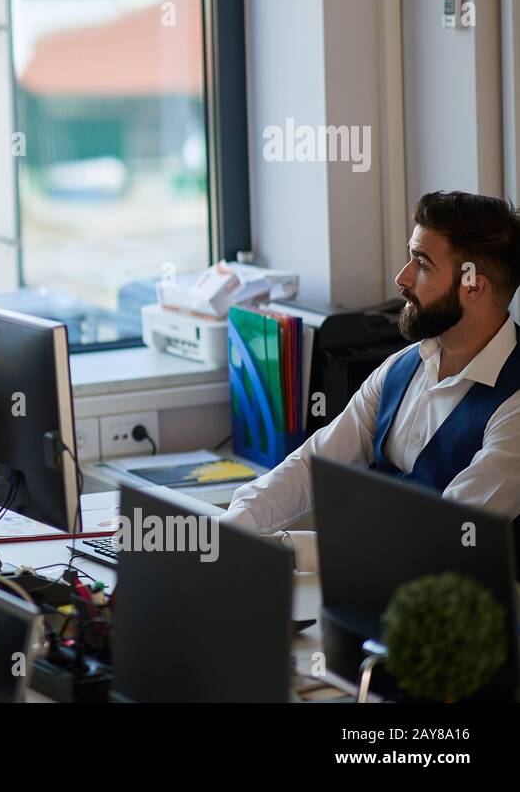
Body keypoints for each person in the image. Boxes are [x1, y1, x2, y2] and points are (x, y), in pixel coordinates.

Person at [222, 191, 520, 571]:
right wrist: (234, 527)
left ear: (474, 285)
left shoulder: (514, 404)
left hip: (460, 617)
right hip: (372, 593)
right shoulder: (401, 368)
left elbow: (440, 540)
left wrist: (284, 546)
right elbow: (312, 464)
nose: (402, 277)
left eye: (423, 264)